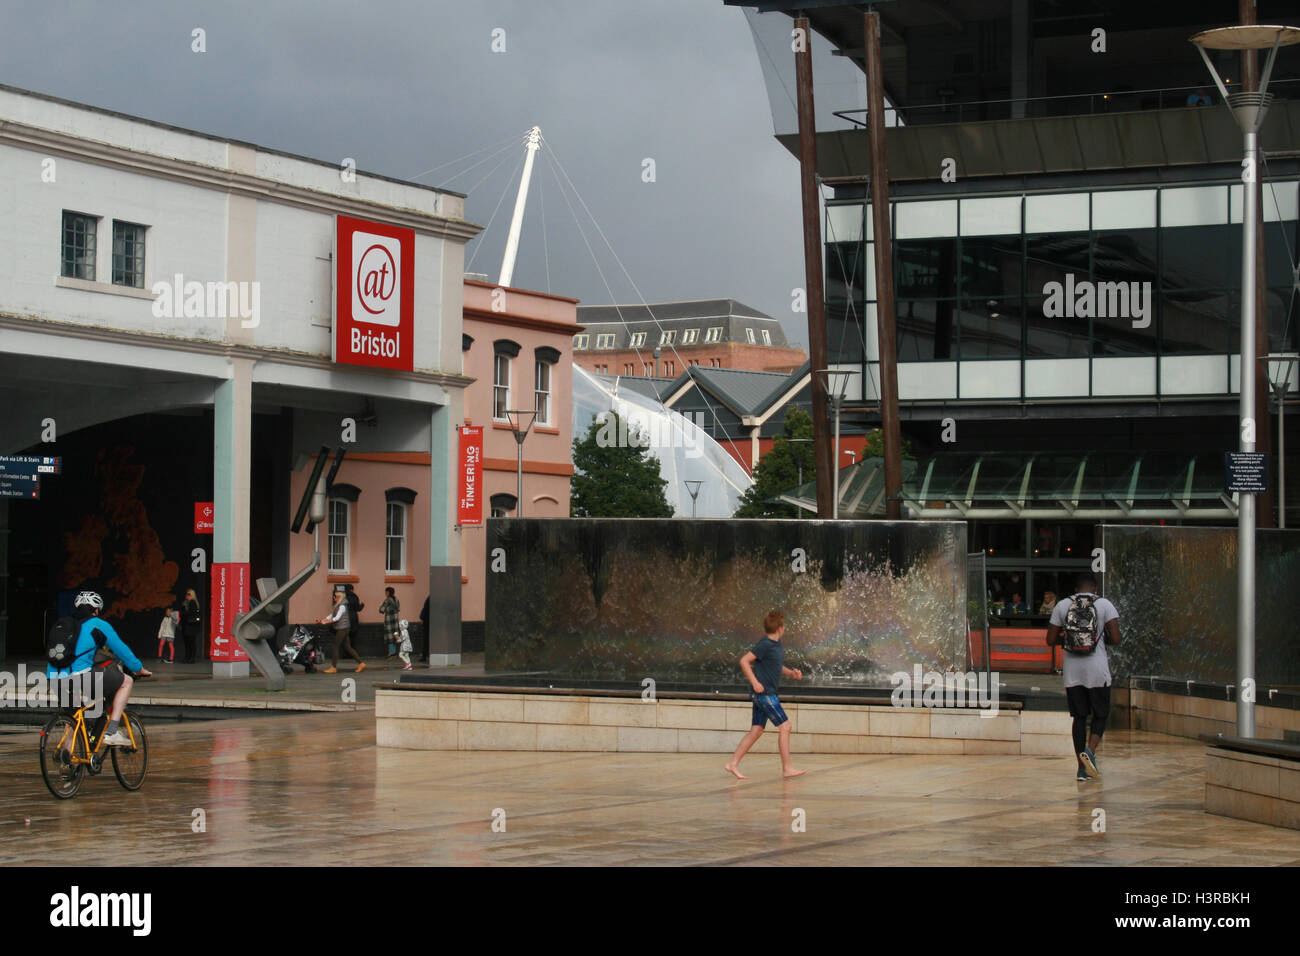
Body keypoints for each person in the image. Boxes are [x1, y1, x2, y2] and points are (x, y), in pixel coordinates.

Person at [48, 590, 152, 747]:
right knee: (126, 682)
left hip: (54, 677)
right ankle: (112, 732)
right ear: (96, 610)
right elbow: (121, 649)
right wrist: (138, 668)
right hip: (80, 676)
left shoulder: (64, 623)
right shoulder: (99, 625)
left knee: (73, 718)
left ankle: (66, 761)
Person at [1046, 573, 1121, 782]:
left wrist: (1068, 637)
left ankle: (1081, 769)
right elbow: (1116, 638)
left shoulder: (1062, 605)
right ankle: (1091, 750)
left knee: (1079, 717)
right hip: (1097, 671)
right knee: (1101, 713)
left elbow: (1050, 639)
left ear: (1076, 589)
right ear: (1095, 588)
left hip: (1072, 672)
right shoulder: (1104, 604)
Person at [724, 609, 805, 780]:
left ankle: (732, 763)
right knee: (785, 726)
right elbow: (744, 661)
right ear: (780, 628)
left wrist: (791, 673)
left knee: (757, 730)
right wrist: (755, 682)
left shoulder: (776, 645)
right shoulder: (765, 644)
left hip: (765, 693)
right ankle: (787, 768)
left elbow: (775, 666)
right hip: (764, 694)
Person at [321, 586, 365, 675]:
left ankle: (333, 667)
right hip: (343, 627)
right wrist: (324, 619)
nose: (334, 598)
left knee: (335, 646)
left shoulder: (342, 606)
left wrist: (327, 621)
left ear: (339, 597)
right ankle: (361, 663)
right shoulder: (338, 605)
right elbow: (332, 614)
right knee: (347, 647)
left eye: (335, 597)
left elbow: (337, 618)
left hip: (343, 628)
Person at [180, 589, 202, 664]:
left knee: (191, 642)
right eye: (187, 594)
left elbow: (190, 612)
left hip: (191, 625)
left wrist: (184, 613)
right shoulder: (185, 603)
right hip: (186, 625)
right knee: (187, 642)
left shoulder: (193, 602)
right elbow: (182, 612)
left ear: (192, 595)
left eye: (189, 594)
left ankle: (192, 657)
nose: (187, 596)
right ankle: (187, 657)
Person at [380, 587, 400, 659]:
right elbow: (398, 609)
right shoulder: (396, 599)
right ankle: (394, 653)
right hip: (395, 620)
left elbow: (381, 610)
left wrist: (383, 610)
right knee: (395, 636)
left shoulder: (387, 600)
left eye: (386, 592)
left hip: (389, 620)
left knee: (390, 637)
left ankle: (391, 653)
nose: (385, 593)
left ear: (388, 592)